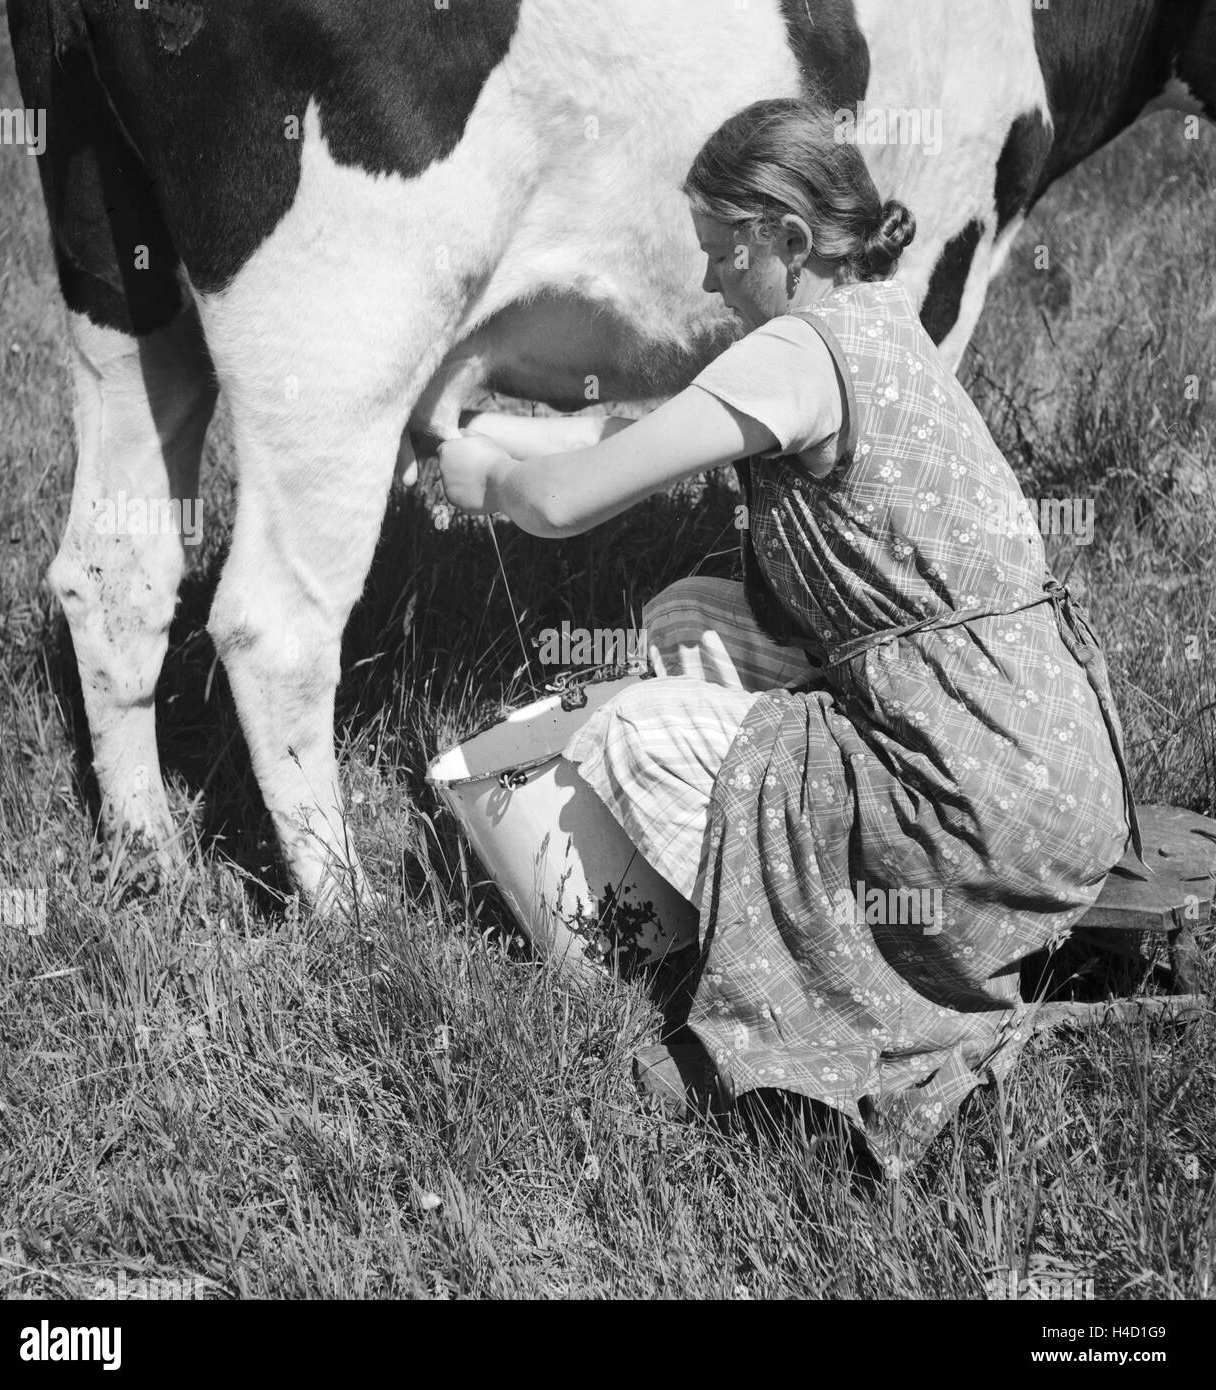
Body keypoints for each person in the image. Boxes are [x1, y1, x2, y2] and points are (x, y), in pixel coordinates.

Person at [437, 95, 1139, 1166]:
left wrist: (478, 470)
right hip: (1046, 748)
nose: (711, 278)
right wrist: (520, 431)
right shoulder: (878, 320)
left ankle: (738, 971)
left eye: (722, 252)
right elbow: (636, 429)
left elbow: (566, 501)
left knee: (637, 736)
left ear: (790, 243)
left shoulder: (793, 356)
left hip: (977, 796)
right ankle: (757, 852)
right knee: (685, 619)